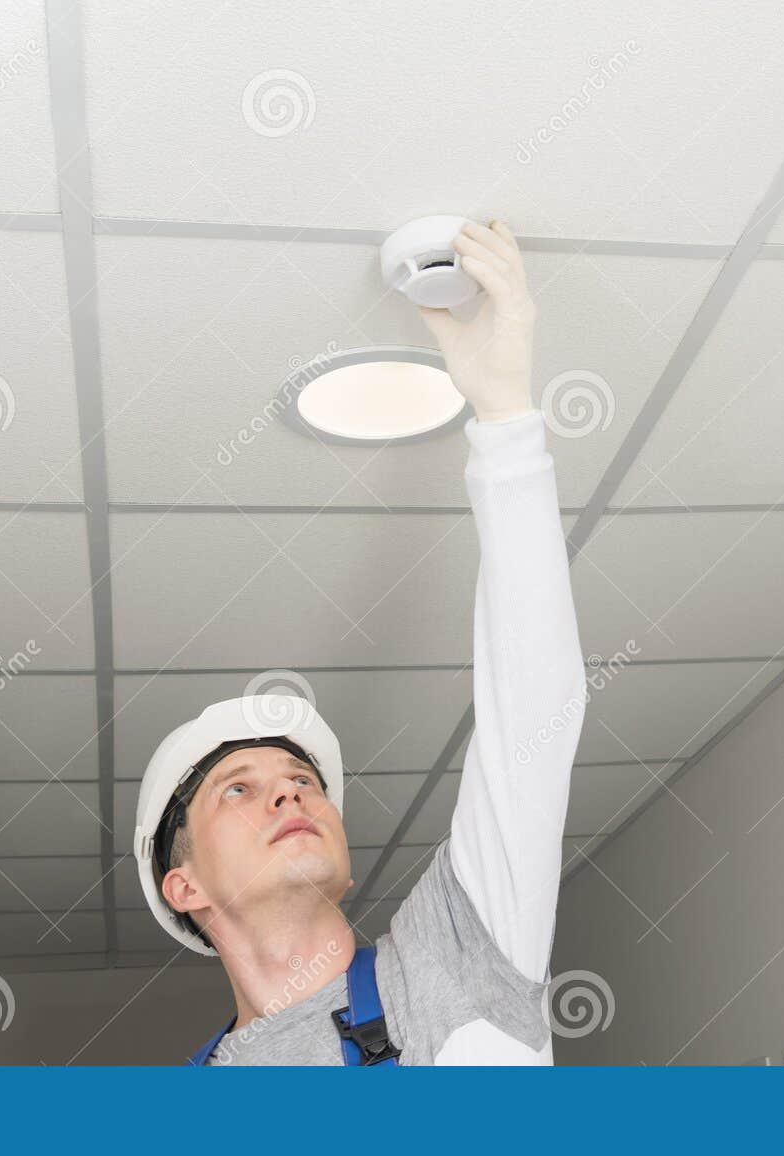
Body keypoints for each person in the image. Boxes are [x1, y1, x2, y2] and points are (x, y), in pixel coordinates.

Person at [132, 220, 587, 1065]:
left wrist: (506, 416)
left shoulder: (457, 957)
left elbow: (535, 716)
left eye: (302, 781)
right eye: (237, 789)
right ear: (183, 885)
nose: (290, 796)